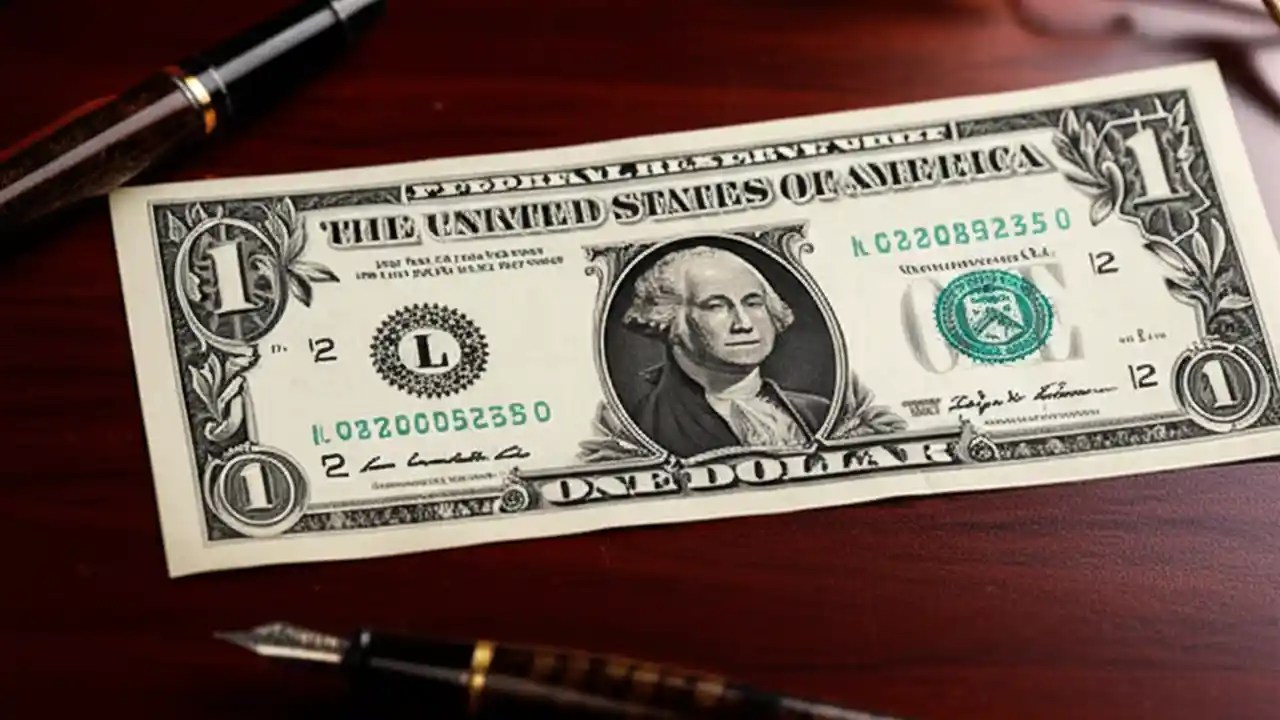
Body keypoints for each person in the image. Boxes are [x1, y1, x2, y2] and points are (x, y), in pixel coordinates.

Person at [620, 245, 831, 457]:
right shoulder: (639, 430)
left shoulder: (817, 413)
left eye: (753, 303)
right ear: (668, 318)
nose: (744, 323)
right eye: (716, 306)